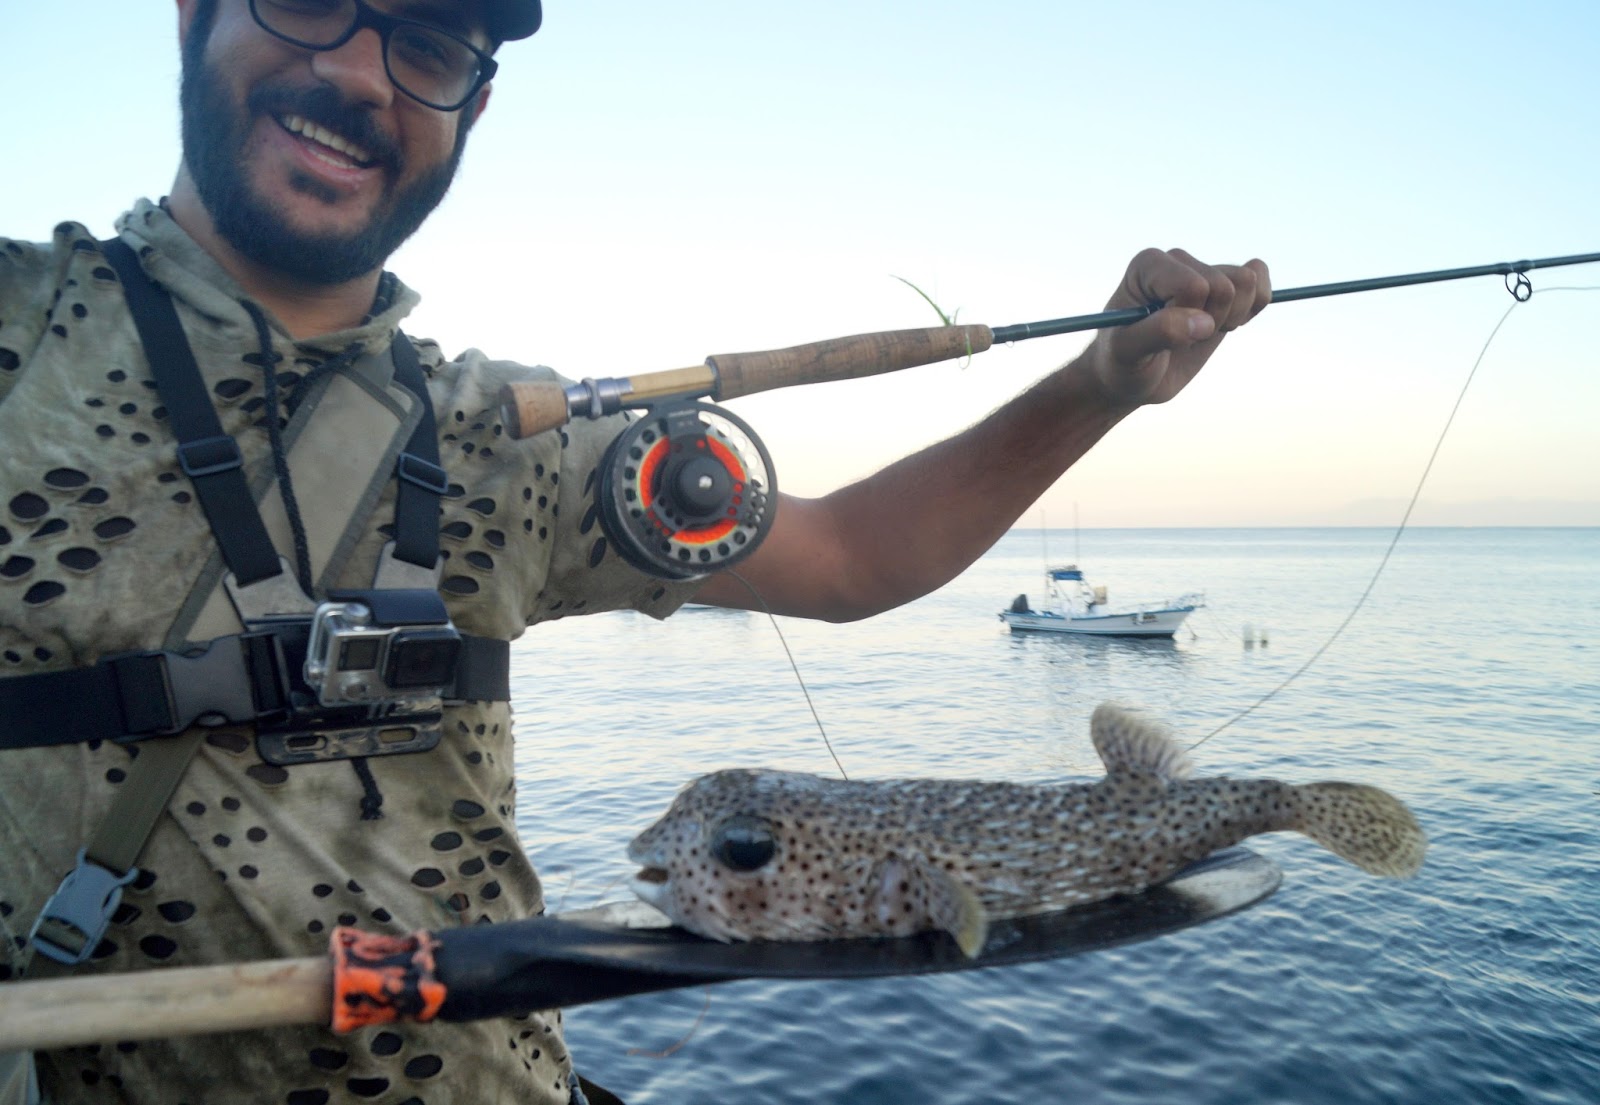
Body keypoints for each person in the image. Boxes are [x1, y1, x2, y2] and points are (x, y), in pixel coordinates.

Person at [0, 0, 1270, 1102]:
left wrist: (1096, 386)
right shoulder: (23, 334)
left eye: (426, 44)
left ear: (471, 107)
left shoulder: (506, 436)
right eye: (310, 0)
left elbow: (847, 557)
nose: (356, 73)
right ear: (192, 12)